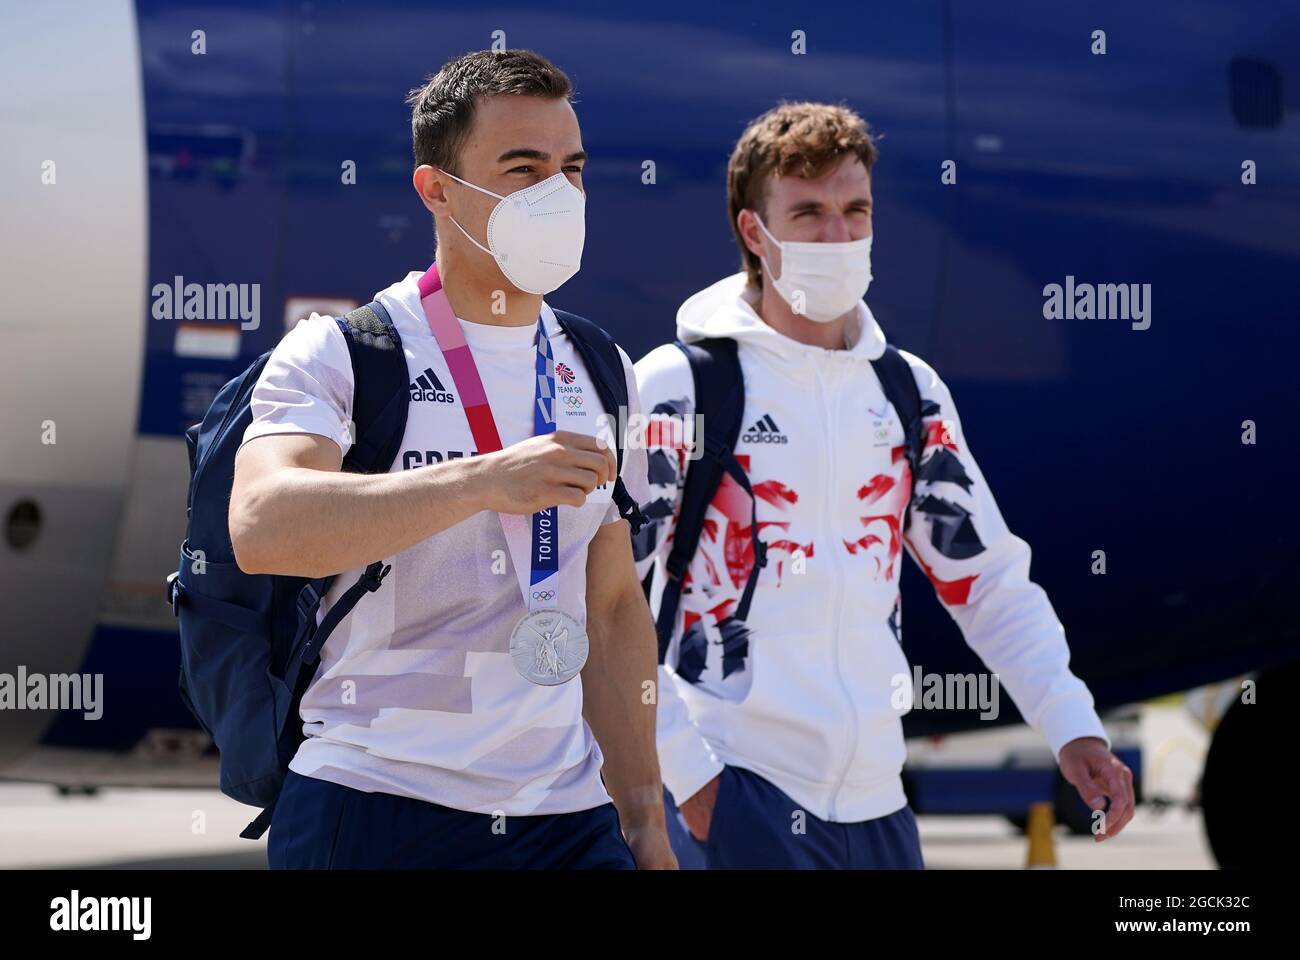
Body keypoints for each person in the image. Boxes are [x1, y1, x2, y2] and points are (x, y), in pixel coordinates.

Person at [633, 102, 1135, 869]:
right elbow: (603, 601)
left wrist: (1072, 725)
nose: (837, 237)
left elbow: (988, 581)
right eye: (807, 213)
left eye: (854, 210)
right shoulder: (678, 387)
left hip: (879, 808)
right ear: (753, 233)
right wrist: (694, 782)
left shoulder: (908, 392)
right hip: (735, 794)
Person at [230, 49, 674, 869]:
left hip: (565, 817)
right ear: (438, 190)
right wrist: (477, 480)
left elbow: (610, 608)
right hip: (375, 801)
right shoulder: (345, 351)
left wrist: (645, 817)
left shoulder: (598, 364)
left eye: (571, 169)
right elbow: (263, 528)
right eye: (523, 169)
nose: (558, 195)